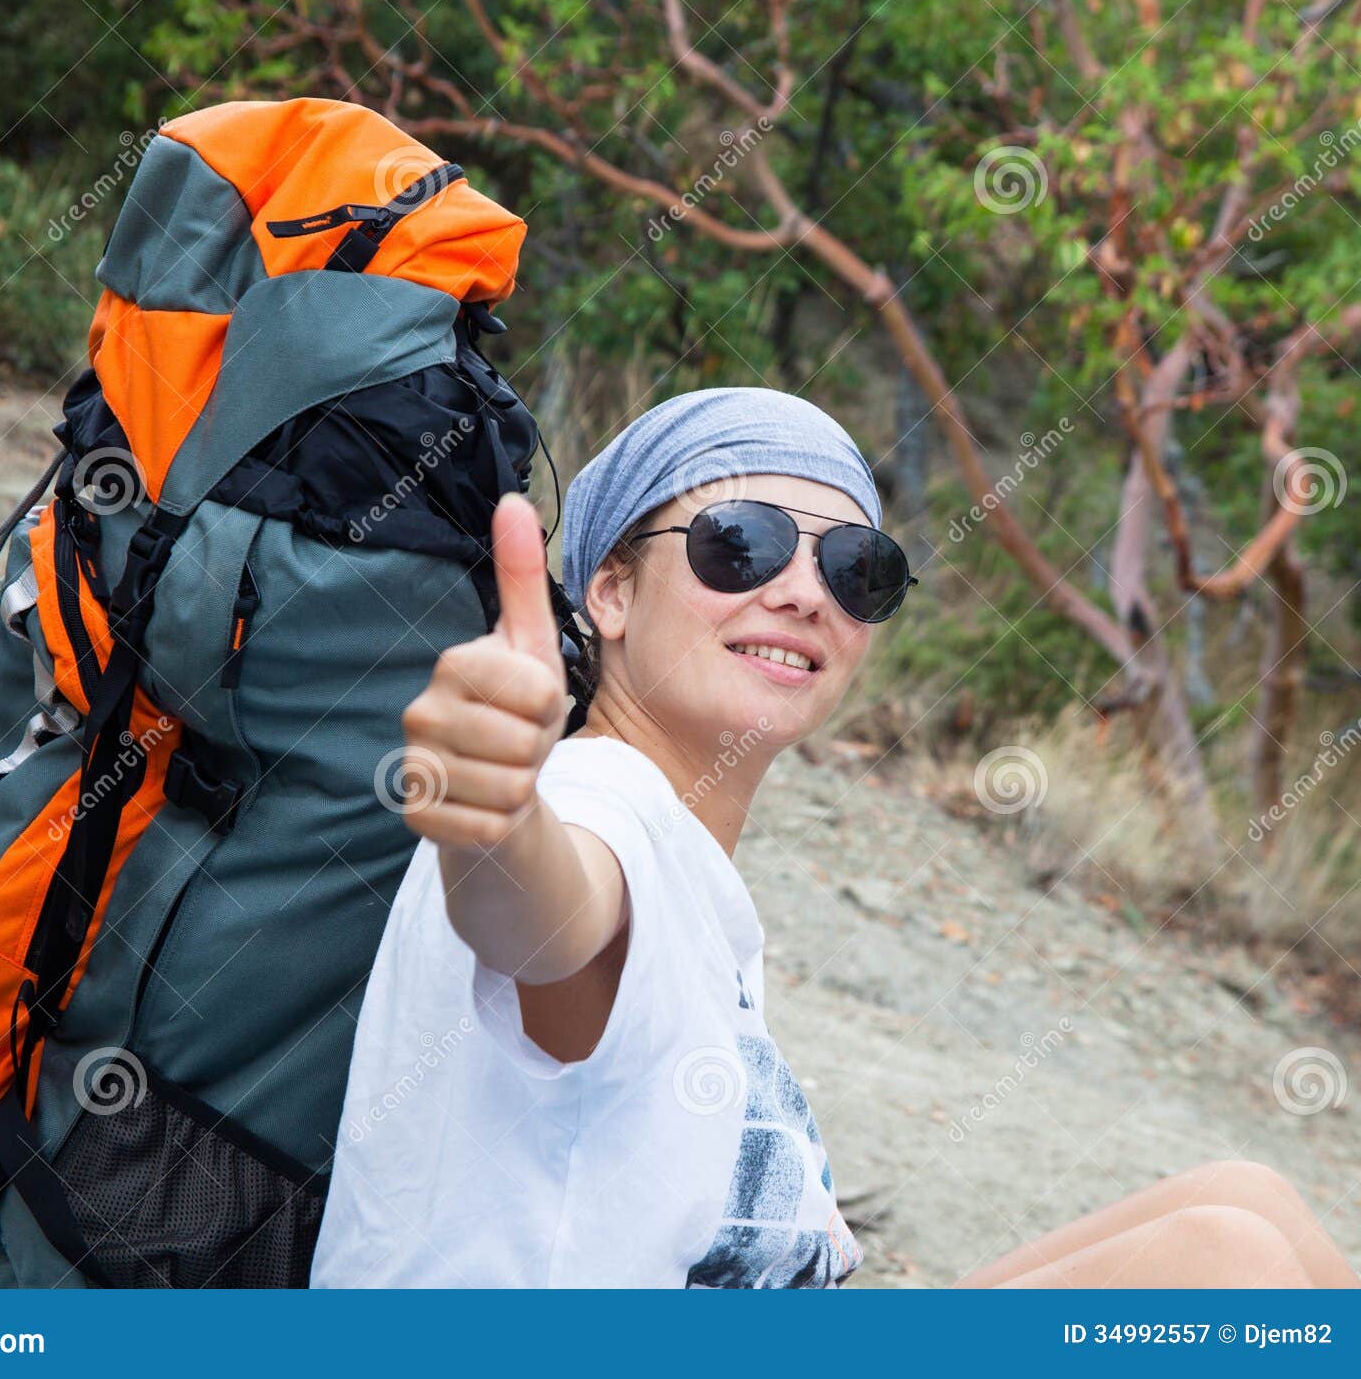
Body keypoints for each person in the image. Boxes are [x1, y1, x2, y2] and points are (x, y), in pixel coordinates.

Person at [309, 387, 1360, 1290]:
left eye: (857, 567)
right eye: (740, 542)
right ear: (610, 590)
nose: (804, 591)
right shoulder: (596, 802)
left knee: (1245, 1194)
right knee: (1228, 1265)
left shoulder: (683, 855)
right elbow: (544, 926)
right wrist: (493, 826)